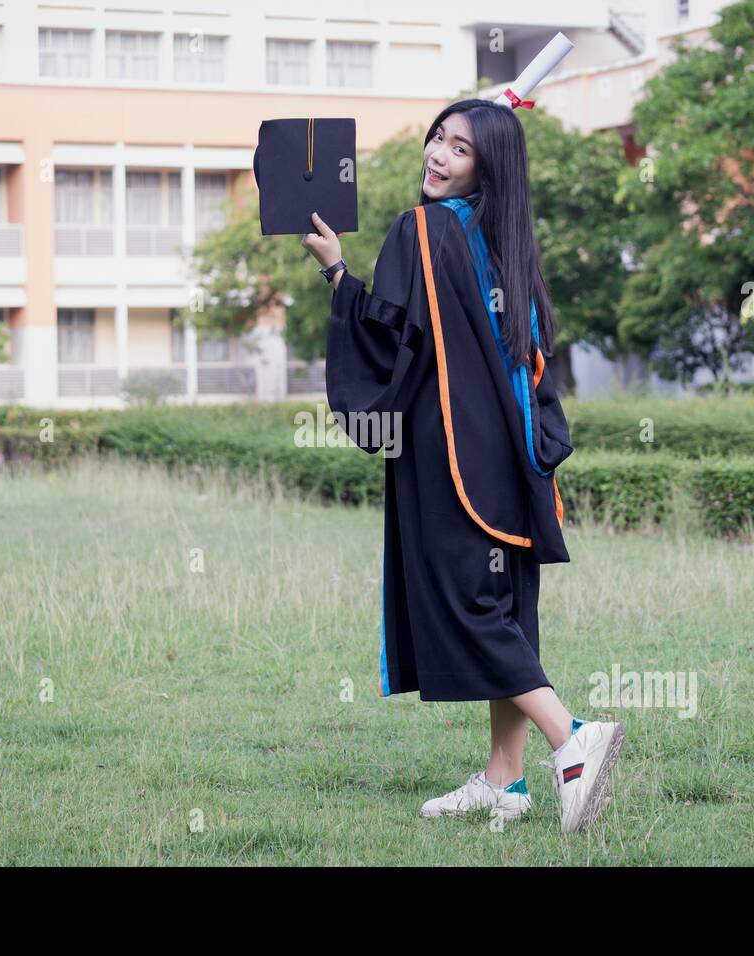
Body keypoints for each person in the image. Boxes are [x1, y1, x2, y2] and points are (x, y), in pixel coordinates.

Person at [302, 99, 624, 833]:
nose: (438, 156)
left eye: (461, 149)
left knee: (468, 609)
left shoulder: (420, 229)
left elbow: (389, 340)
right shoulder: (504, 240)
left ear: (488, 167)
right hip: (514, 463)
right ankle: (504, 781)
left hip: (449, 461)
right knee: (504, 613)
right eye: (438, 139)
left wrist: (335, 276)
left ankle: (574, 740)